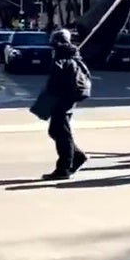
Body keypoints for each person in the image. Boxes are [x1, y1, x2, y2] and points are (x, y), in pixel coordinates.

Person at [40, 29, 91, 180]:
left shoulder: (64, 55)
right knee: (55, 131)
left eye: (54, 40)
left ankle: (64, 167)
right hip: (62, 99)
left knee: (62, 134)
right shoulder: (67, 54)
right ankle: (77, 156)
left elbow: (59, 80)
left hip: (62, 100)